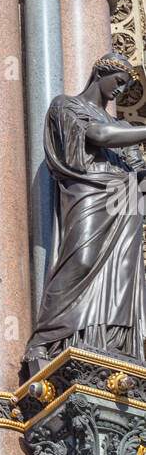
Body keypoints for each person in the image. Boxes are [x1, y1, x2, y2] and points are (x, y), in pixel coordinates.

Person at [25, 54, 146, 366]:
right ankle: (45, 340)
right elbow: (97, 136)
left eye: (127, 85)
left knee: (122, 276)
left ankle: (111, 343)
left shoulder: (121, 124)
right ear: (100, 73)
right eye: (119, 81)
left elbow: (139, 169)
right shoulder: (67, 105)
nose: (120, 90)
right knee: (81, 259)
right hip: (91, 194)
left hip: (125, 200)